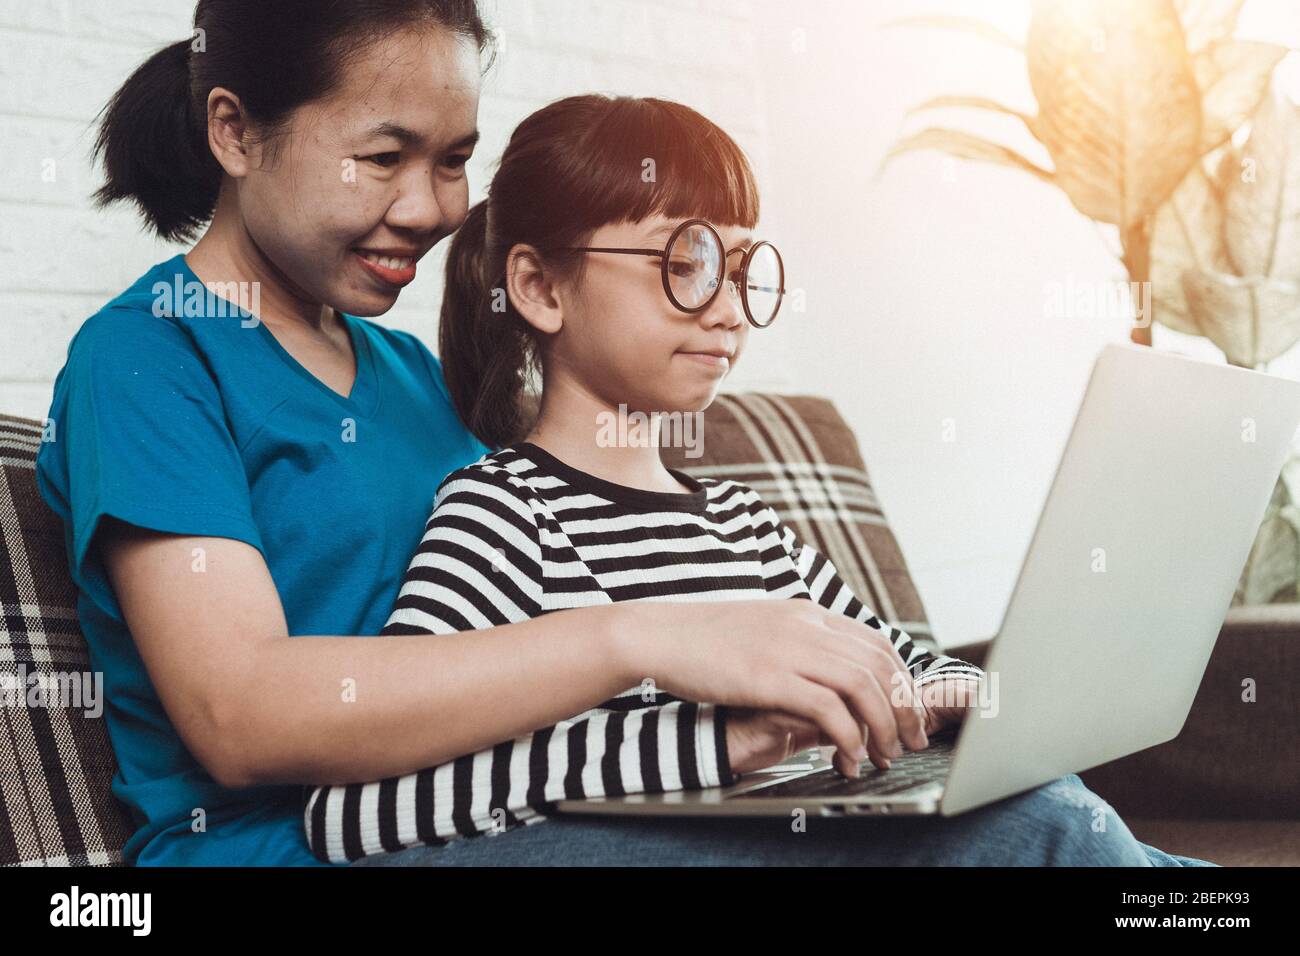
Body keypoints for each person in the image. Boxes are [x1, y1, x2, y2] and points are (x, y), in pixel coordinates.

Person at [302, 95, 1216, 868]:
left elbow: (906, 656)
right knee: (1050, 833)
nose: (731, 310)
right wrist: (711, 744)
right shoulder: (504, 513)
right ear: (541, 288)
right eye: (687, 263)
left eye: (742, 270)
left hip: (821, 822)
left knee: (1095, 833)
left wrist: (955, 697)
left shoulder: (748, 526)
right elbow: (358, 813)